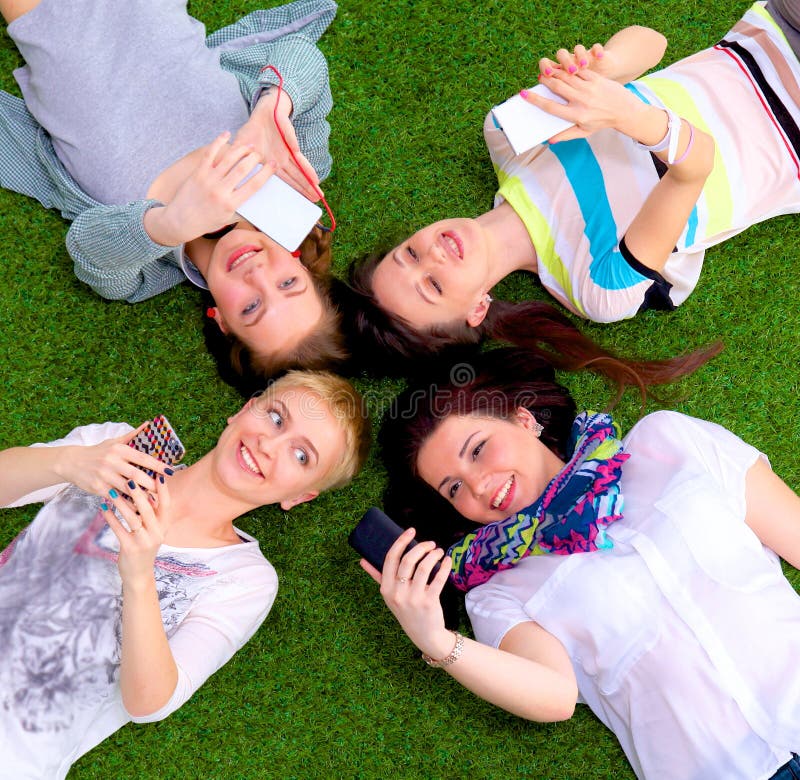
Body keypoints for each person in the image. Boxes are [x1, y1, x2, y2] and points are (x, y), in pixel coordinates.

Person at [361, 347, 800, 780]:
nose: (476, 486)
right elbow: (555, 697)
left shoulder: (666, 442)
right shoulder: (498, 592)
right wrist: (437, 641)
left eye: (477, 451)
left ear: (524, 419)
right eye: (453, 488)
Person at [343, 1, 800, 370]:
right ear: (476, 311)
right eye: (434, 286)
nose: (434, 255)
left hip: (767, 34)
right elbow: (696, 164)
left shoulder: (509, 136)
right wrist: (624, 115)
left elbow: (651, 41)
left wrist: (606, 69)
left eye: (409, 254)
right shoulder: (597, 286)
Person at [0, 369, 371, 780]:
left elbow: (151, 702)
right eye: (277, 418)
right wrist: (69, 462)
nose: (270, 445)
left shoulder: (245, 578)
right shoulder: (120, 449)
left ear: (299, 496)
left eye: (301, 456)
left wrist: (139, 577)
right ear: (245, 410)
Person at [0, 0, 348, 387]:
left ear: (223, 323)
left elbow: (87, 247)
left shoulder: (144, 274)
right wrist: (273, 107)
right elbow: (303, 56)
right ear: (302, 267)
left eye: (252, 307)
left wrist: (171, 224)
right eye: (288, 285)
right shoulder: (294, 176)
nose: (258, 275)